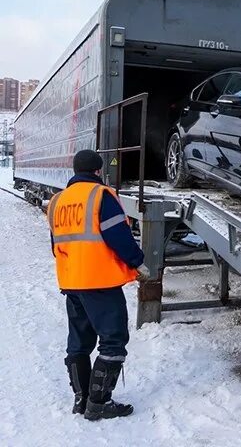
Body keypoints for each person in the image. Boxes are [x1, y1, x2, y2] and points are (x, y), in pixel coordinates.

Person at [47, 149, 149, 420]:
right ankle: (99, 402)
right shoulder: (100, 195)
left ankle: (81, 399)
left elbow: (55, 244)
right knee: (113, 339)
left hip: (72, 282)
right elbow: (118, 235)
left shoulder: (57, 201)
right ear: (97, 171)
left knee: (78, 341)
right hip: (100, 281)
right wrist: (137, 261)